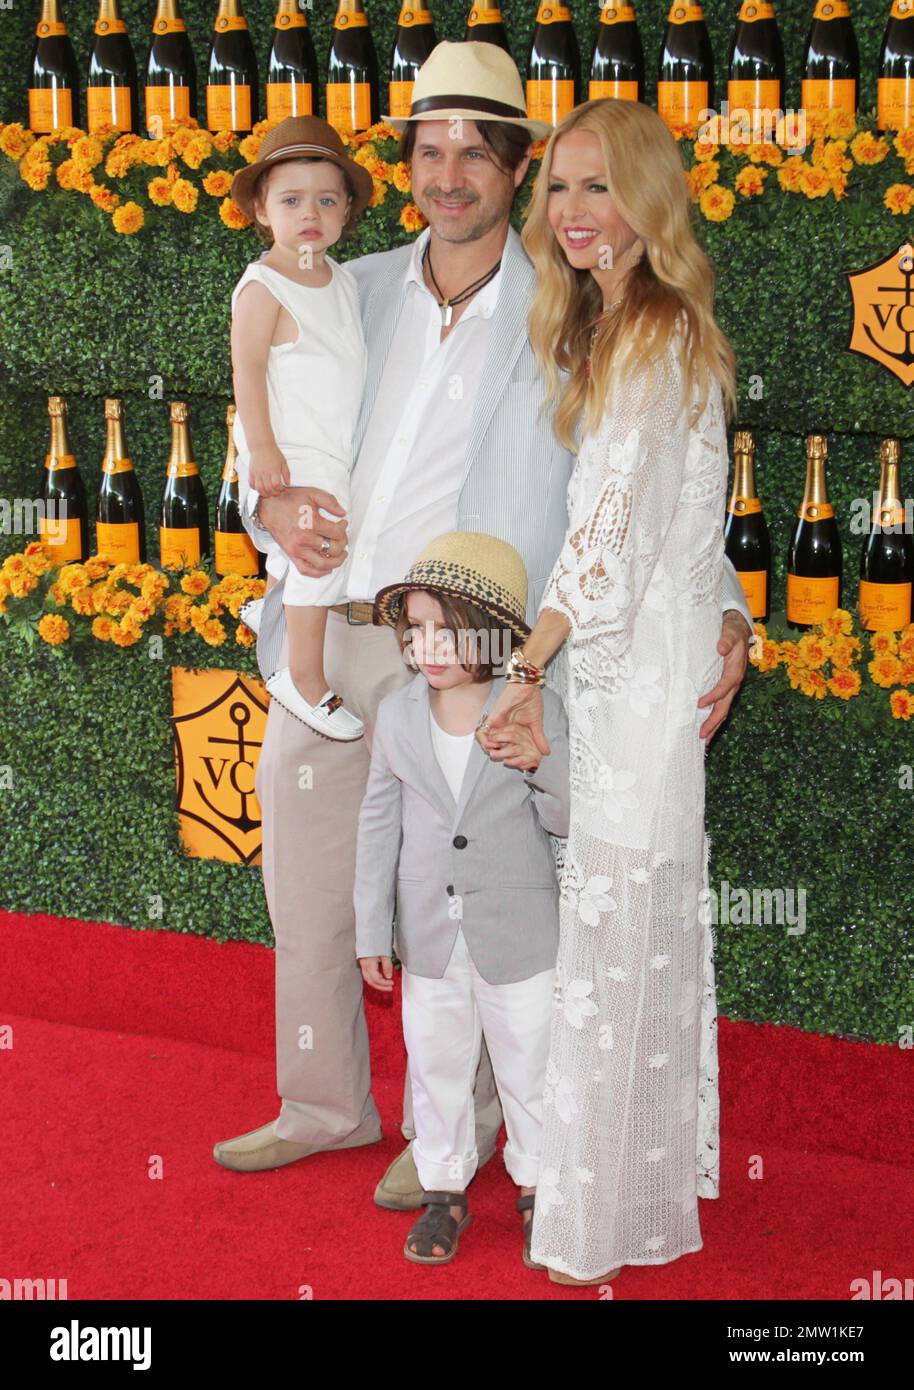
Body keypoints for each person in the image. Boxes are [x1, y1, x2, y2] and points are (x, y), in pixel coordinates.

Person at [213, 43, 753, 1211]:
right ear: (402, 163)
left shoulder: (565, 307)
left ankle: (446, 1130)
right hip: (334, 638)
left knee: (463, 900)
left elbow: (647, 479)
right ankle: (322, 1104)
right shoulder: (339, 286)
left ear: (514, 169)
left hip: (473, 659)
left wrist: (723, 604)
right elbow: (260, 426)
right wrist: (263, 497)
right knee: (310, 890)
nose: (448, 172)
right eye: (428, 148)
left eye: (477, 151)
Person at [478, 97, 739, 1286]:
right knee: (631, 922)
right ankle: (626, 1189)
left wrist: (522, 668)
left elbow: (607, 541)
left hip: (633, 680)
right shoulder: (638, 326)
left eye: (597, 187)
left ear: (645, 196)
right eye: (560, 191)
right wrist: (733, 615)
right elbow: (698, 521)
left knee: (617, 926)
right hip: (644, 661)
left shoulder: (652, 332)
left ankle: (598, 1221)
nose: (574, 214)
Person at [355, 533, 568, 1265]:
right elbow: (378, 823)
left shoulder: (537, 709)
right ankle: (445, 1191)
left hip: (520, 931)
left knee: (530, 1065)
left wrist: (542, 764)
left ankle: (542, 1191)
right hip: (429, 935)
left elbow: (568, 819)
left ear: (499, 632)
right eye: (415, 629)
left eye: (447, 629)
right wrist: (370, 930)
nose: (428, 646)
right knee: (437, 1064)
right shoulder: (397, 715)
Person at [229, 116, 372, 741]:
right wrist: (262, 448)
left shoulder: (342, 279)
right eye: (291, 200)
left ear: (345, 212)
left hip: (332, 444)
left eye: (325, 199)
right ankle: (304, 679)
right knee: (322, 555)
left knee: (312, 552)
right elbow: (248, 368)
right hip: (291, 451)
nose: (309, 213)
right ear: (262, 209)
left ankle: (274, 609)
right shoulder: (264, 286)